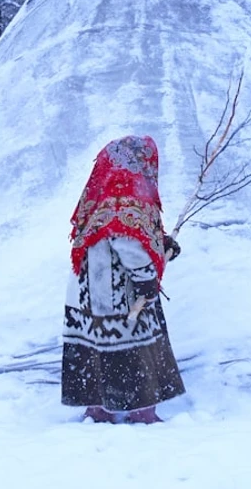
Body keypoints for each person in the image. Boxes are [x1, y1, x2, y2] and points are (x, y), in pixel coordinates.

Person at [61, 135, 185, 424]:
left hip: (89, 291)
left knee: (97, 348)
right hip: (118, 294)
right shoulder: (126, 197)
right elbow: (127, 241)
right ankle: (142, 413)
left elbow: (132, 235)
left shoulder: (102, 194)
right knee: (135, 350)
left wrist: (160, 243)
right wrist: (146, 279)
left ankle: (98, 409)